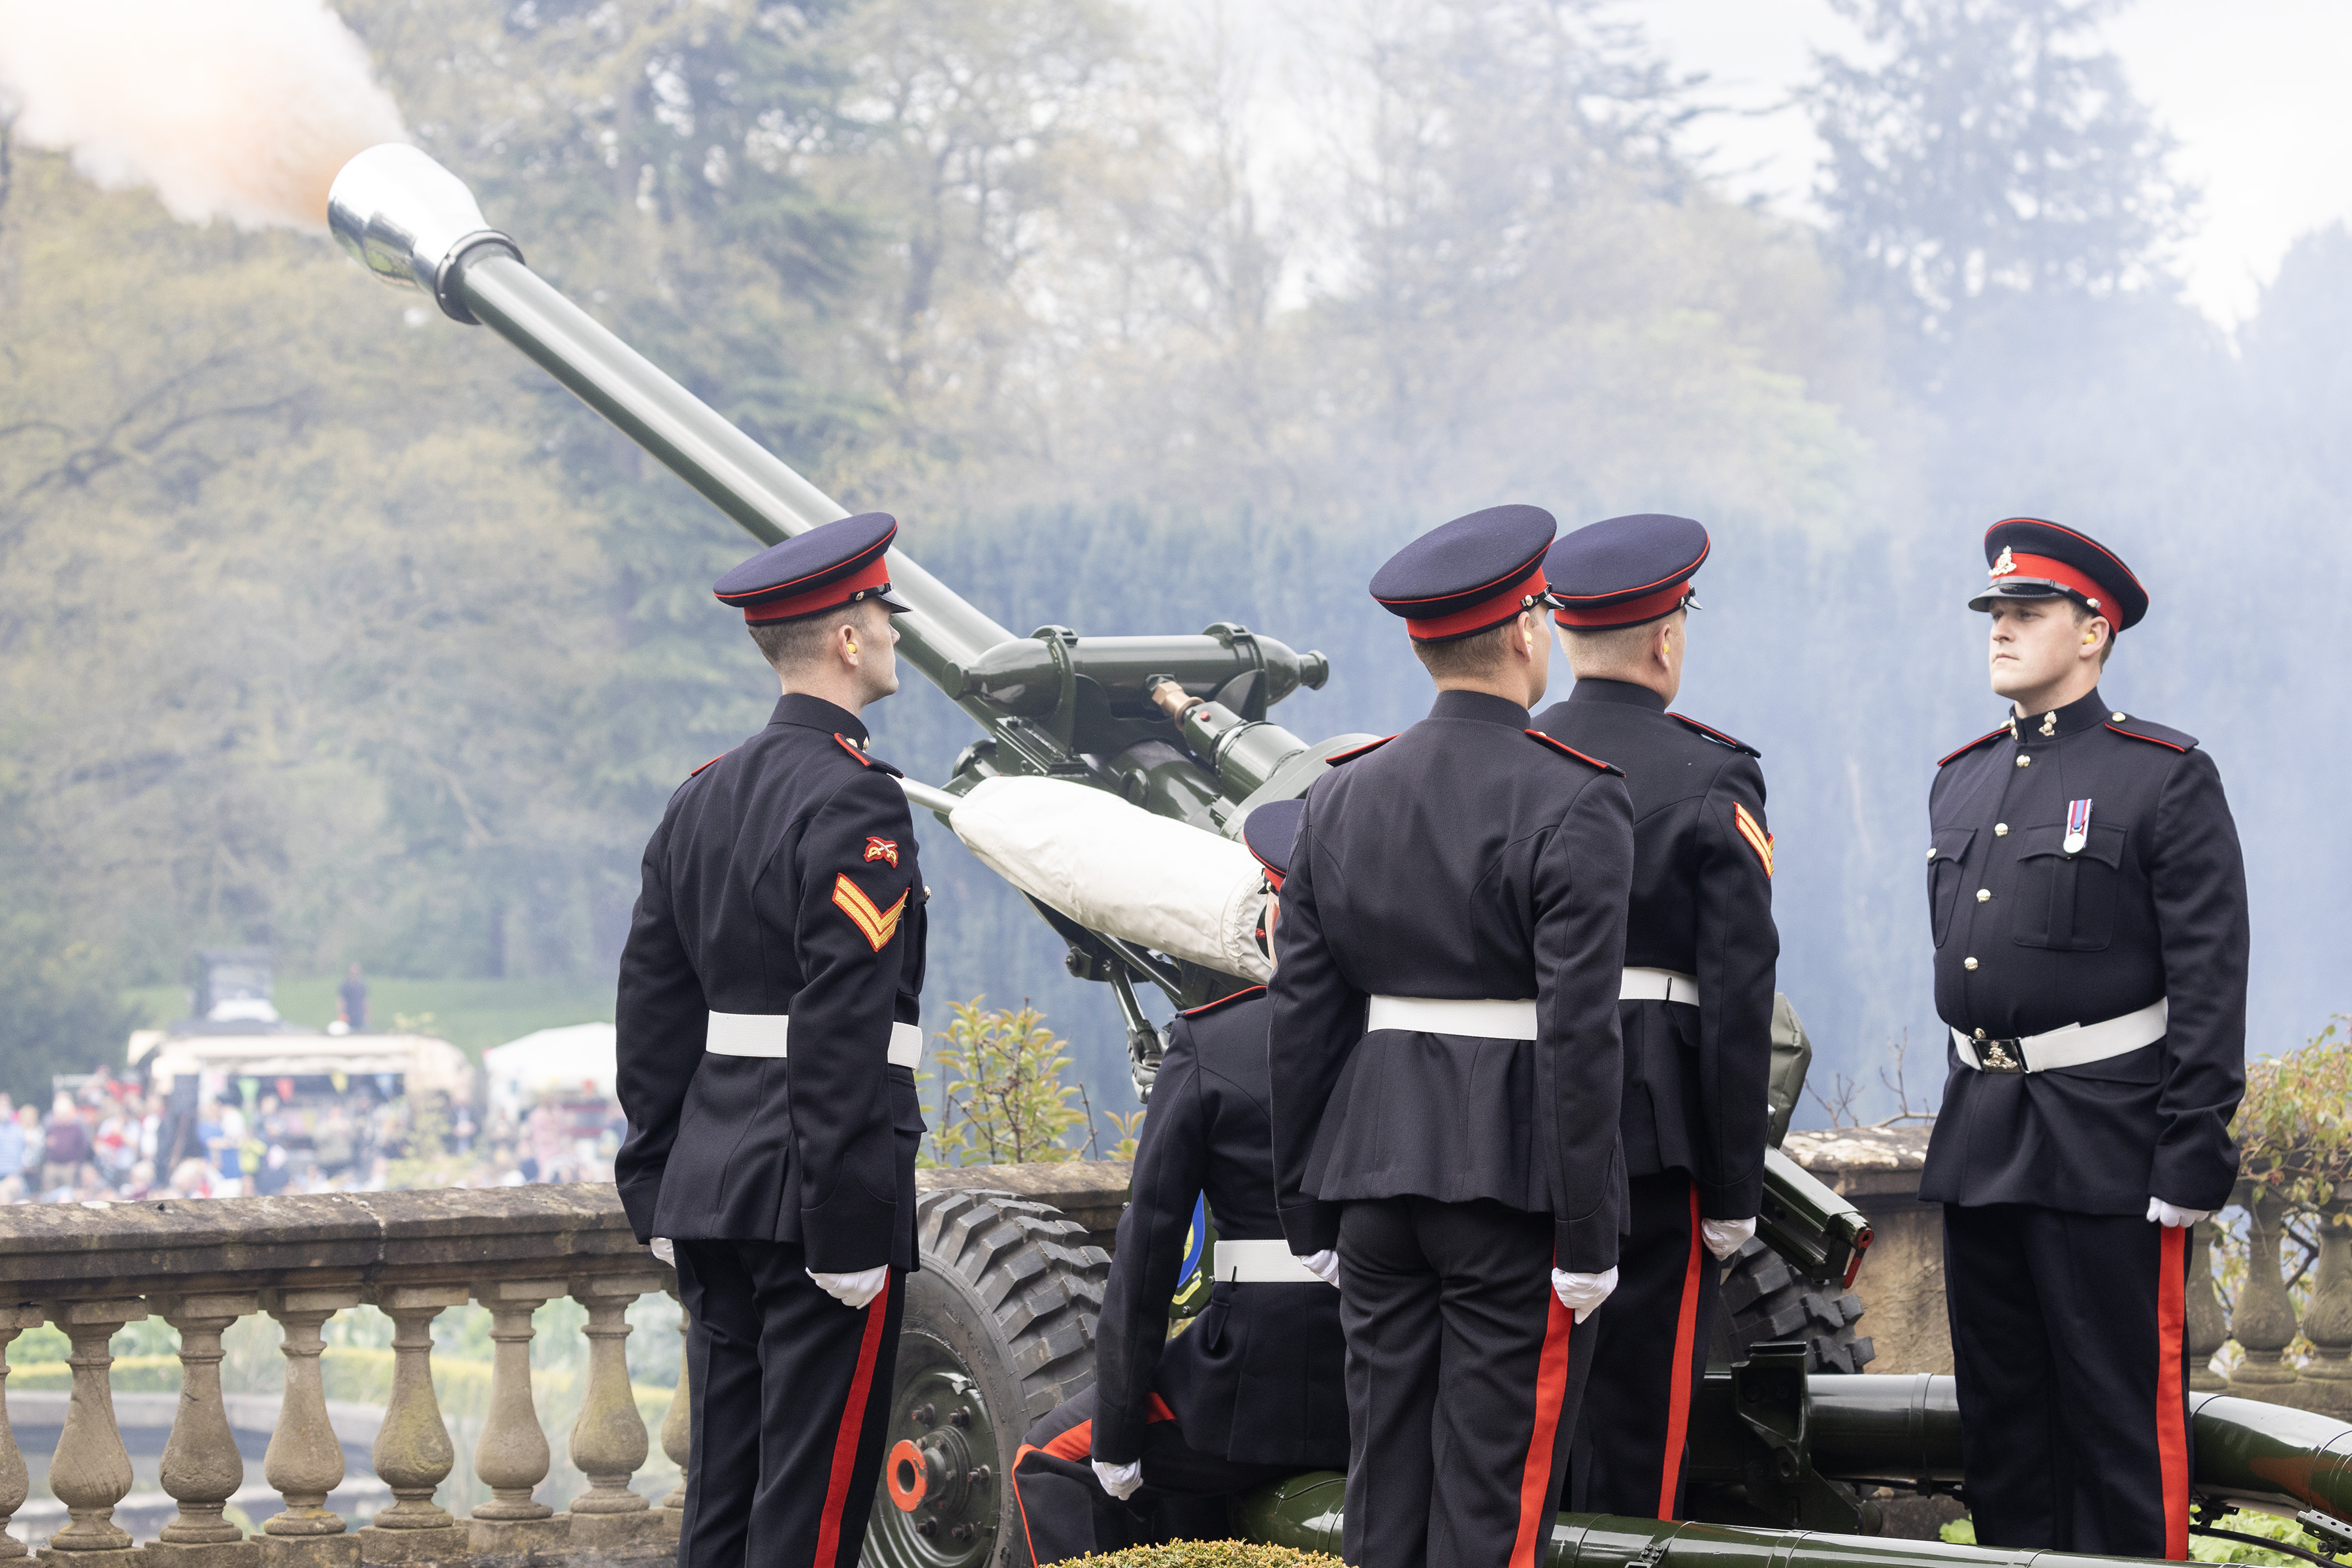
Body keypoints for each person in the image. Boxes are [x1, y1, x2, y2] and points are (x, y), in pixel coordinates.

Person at [1267, 503, 1635, 1568]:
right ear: (1527, 632)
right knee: (1493, 1491)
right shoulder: (1574, 799)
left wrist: (1308, 1209)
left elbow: (1303, 1018)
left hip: (1372, 1171)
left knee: (1385, 1474)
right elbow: (1580, 1037)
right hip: (1509, 1180)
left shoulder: (1338, 798)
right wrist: (1590, 1234)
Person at [1921, 518, 2246, 1560]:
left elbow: (2209, 975)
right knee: (2004, 1435)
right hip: (1984, 1132)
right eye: (1995, 614)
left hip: (2109, 1141)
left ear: (2094, 630)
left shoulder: (2164, 775)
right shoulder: (1961, 777)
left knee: (2118, 1430)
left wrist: (2193, 1143)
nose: (2001, 631)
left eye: (2027, 614)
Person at [615, 512, 928, 1568]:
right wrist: (848, 1225)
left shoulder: (699, 798)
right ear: (847, 638)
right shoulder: (856, 802)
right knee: (811, 1509)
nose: (893, 632)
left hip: (711, 1186)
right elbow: (845, 1028)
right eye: (883, 614)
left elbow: (652, 1013)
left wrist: (655, 1182)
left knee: (724, 1501)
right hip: (814, 1198)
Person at [1011, 800, 1348, 1565]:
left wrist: (1121, 1435)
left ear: (1275, 912)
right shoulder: (1415, 1038)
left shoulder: (1212, 1042)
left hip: (1241, 1398)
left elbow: (1148, 1255)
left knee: (1048, 1460)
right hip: (1387, 1385)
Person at [1530, 514, 1776, 1520]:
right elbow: (1736, 998)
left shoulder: (1514, 757)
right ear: (1667, 638)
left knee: (1520, 1407)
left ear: (1560, 636)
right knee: (1639, 1414)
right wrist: (1732, 1186)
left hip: (1507, 1117)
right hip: (1651, 1131)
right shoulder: (1714, 775)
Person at [338, 964, 370, 1032]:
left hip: (360, 1014)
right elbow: (341, 1000)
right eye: (353, 973)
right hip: (348, 1014)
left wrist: (367, 1013)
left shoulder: (362, 986)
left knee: (363, 1033)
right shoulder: (345, 986)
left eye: (356, 973)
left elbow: (365, 1000)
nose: (355, 975)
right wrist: (341, 1013)